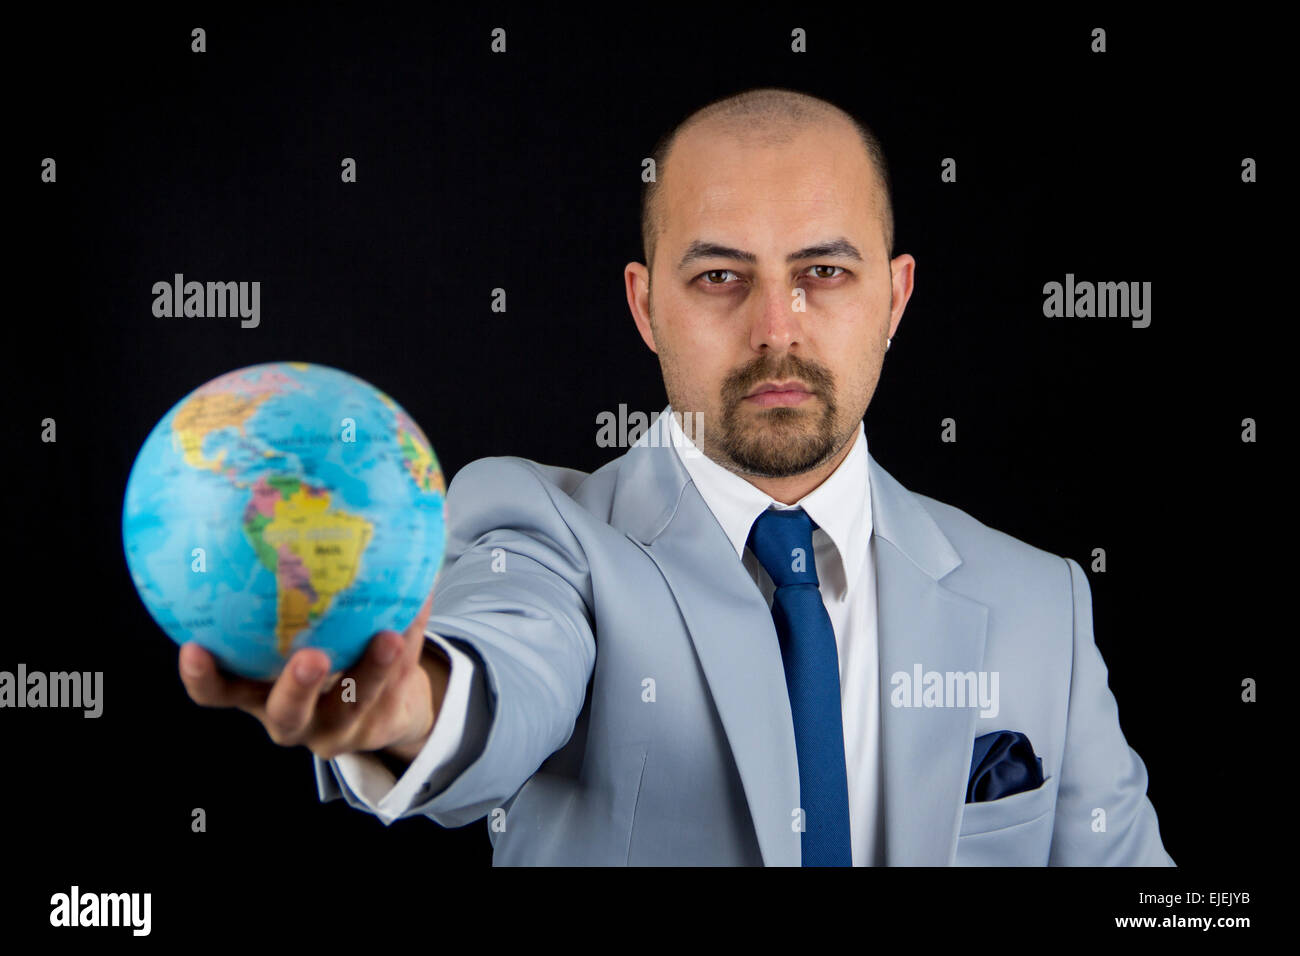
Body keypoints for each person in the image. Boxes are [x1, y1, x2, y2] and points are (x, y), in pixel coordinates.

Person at [177, 86, 1175, 866]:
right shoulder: (540, 531)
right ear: (646, 305)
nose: (775, 328)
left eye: (823, 272)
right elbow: (503, 668)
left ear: (894, 297)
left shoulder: (1042, 604)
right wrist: (405, 709)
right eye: (718, 277)